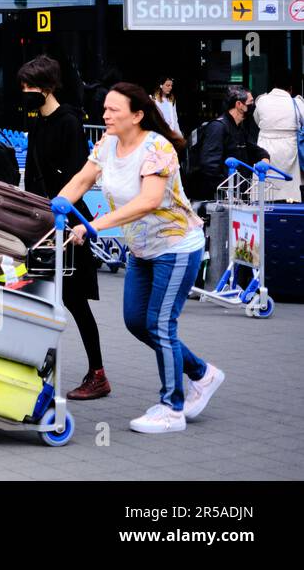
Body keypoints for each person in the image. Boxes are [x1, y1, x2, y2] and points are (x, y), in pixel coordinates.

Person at [57, 82, 222, 434]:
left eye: (113, 109)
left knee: (161, 325)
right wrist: (55, 205)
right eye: (104, 109)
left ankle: (171, 407)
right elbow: (81, 181)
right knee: (136, 321)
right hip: (141, 249)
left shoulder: (157, 147)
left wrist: (93, 225)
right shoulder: (106, 145)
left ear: (137, 115)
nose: (105, 115)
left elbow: (148, 200)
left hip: (176, 246)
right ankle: (202, 373)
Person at [18, 55, 110, 401]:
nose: (24, 92)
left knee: (74, 299)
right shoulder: (37, 123)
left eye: (29, 87)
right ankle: (36, 364)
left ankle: (97, 373)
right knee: (38, 294)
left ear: (46, 87)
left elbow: (77, 176)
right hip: (42, 220)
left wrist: (65, 216)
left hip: (67, 221)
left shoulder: (68, 121)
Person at [191, 86, 268, 201]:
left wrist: (264, 157)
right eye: (250, 102)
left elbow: (253, 149)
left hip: (237, 194)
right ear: (239, 104)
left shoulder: (238, 128)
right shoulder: (218, 128)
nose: (253, 106)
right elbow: (209, 165)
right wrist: (227, 190)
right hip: (220, 198)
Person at [254, 75, 303, 202]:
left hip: (265, 147)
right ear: (290, 89)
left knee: (265, 188)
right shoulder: (297, 102)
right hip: (290, 149)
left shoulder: (262, 101)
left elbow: (257, 120)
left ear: (274, 86)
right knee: (290, 190)